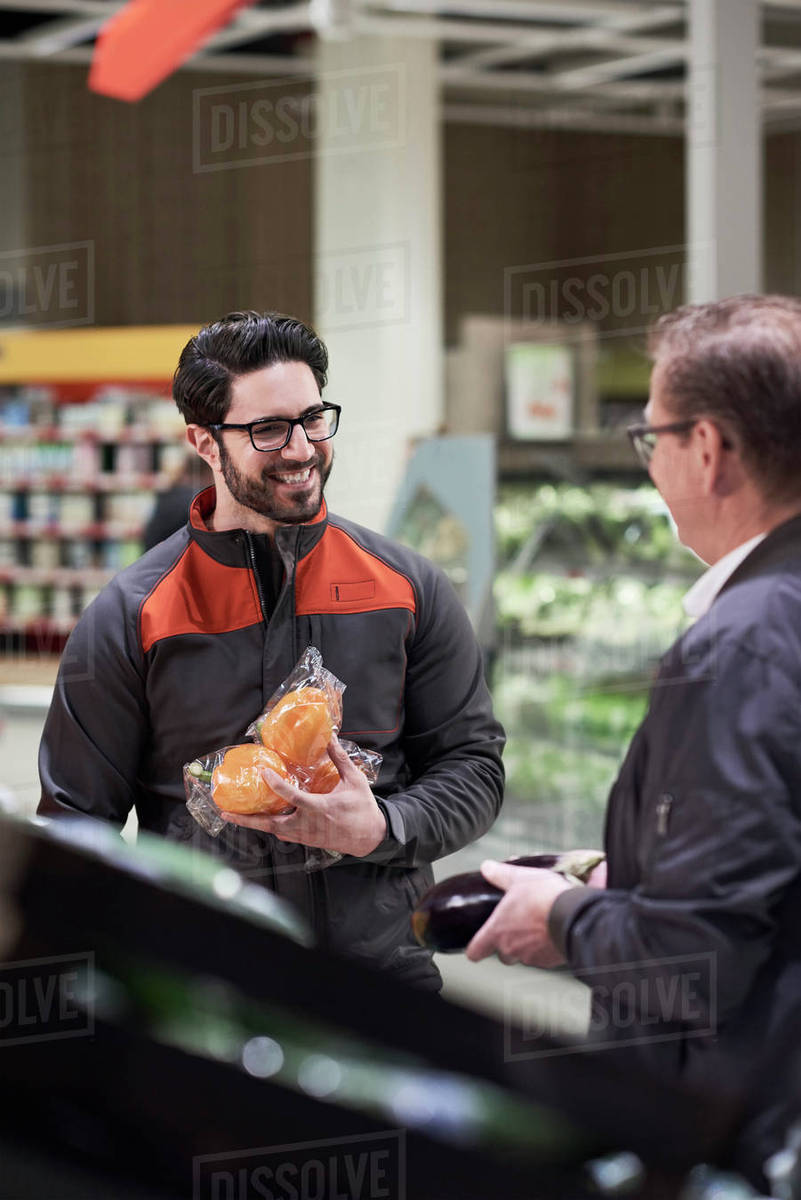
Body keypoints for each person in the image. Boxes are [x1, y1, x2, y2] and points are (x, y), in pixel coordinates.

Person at [38, 310, 505, 991]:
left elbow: (473, 769)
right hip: (204, 990)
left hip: (382, 987)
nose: (301, 448)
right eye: (267, 429)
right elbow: (77, 830)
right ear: (203, 441)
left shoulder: (407, 589)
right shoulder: (132, 614)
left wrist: (381, 824)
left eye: (313, 418)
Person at [466, 294, 801, 1186]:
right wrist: (641, 877)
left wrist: (562, 916)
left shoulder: (745, 643)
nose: (648, 464)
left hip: (741, 1126)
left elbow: (697, 965)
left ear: (708, 449)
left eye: (649, 437)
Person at [141, 451, 213, 551]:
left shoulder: (171, 492)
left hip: (155, 557)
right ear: (208, 473)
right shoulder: (192, 500)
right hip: (172, 560)